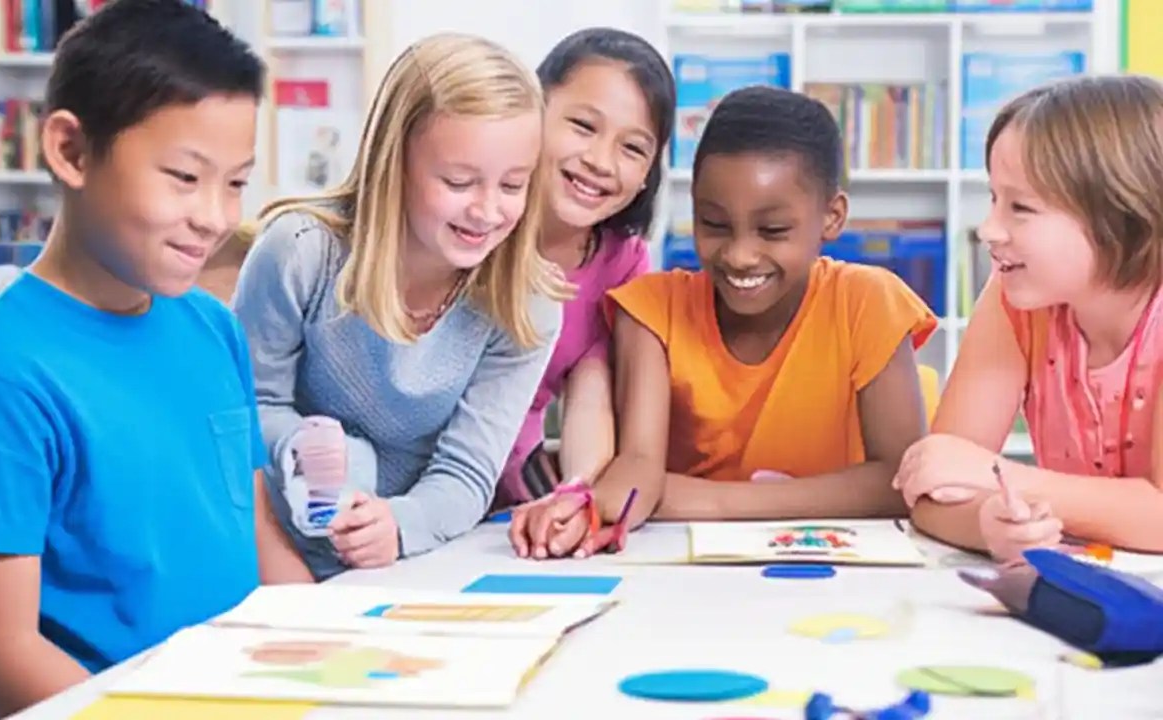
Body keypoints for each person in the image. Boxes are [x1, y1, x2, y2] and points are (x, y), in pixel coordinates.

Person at [0, 3, 301, 718]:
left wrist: (329, 653)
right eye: (185, 177)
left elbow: (260, 540)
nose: (215, 215)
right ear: (71, 151)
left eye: (236, 182)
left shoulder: (213, 328)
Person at [516, 86, 938, 558]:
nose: (739, 255)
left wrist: (708, 498)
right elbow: (638, 467)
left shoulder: (868, 301)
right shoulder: (652, 312)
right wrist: (586, 508)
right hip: (686, 570)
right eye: (713, 224)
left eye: (773, 231)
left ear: (832, 217)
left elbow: (899, 480)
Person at [232, 33, 566, 582]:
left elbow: (467, 471)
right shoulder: (300, 252)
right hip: (267, 546)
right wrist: (304, 447)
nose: (487, 209)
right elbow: (244, 408)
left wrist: (399, 525)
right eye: (459, 181)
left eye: (513, 184)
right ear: (396, 162)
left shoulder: (525, 303)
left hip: (404, 560)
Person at [895, 75, 1163, 563]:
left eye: (1020, 207)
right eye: (994, 198)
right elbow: (936, 486)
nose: (989, 229)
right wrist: (988, 523)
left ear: (1123, 218)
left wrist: (1002, 476)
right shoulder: (1015, 301)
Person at [500, 28, 674, 559]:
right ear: (534, 110)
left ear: (649, 173)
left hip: (506, 490)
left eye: (632, 148)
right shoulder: (481, 220)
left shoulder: (622, 260)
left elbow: (591, 392)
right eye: (582, 126)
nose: (601, 160)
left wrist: (576, 490)